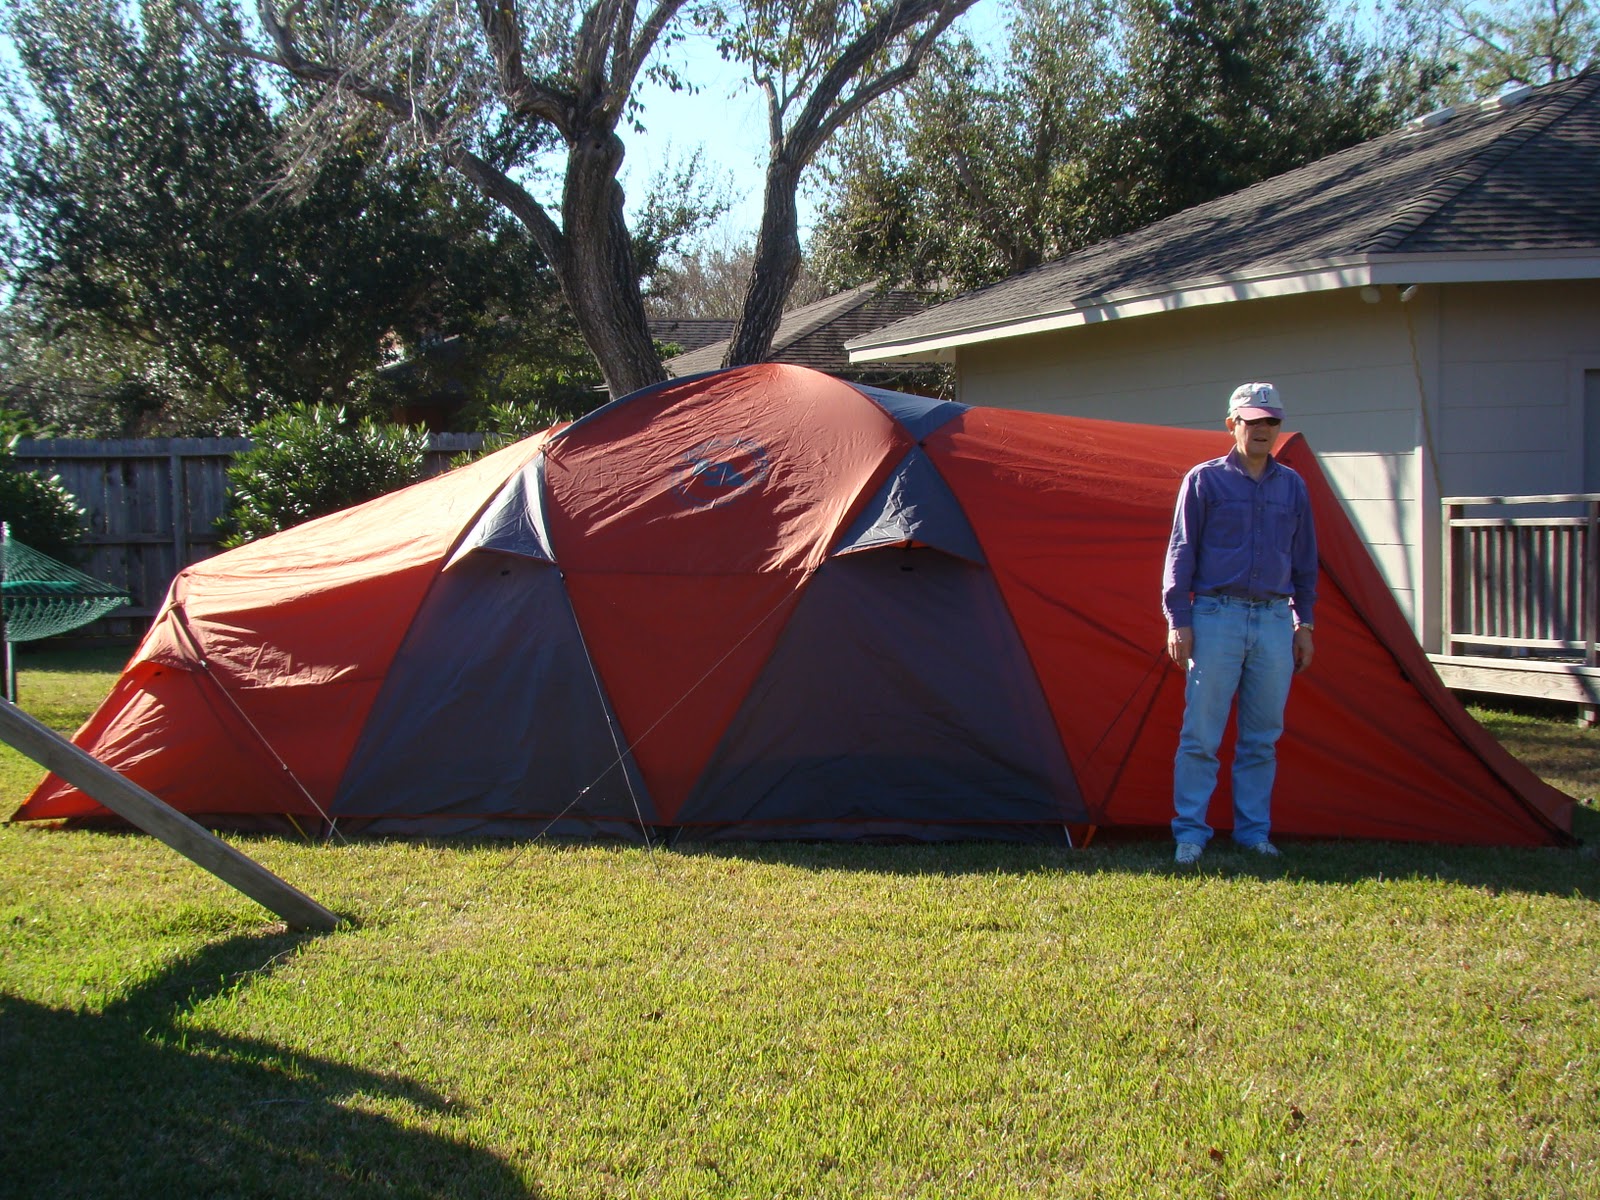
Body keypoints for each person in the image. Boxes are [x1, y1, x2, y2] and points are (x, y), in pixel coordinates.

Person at [1161, 382, 1318, 866]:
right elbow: (1180, 552)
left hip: (1274, 620)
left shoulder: (1292, 486)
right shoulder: (1204, 480)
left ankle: (1253, 833)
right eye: (1252, 422)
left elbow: (1305, 561)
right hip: (1215, 617)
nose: (1263, 430)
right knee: (1201, 736)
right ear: (1232, 425)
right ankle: (1191, 833)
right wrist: (1178, 619)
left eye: (1271, 422)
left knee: (1261, 737)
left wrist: (1304, 623)